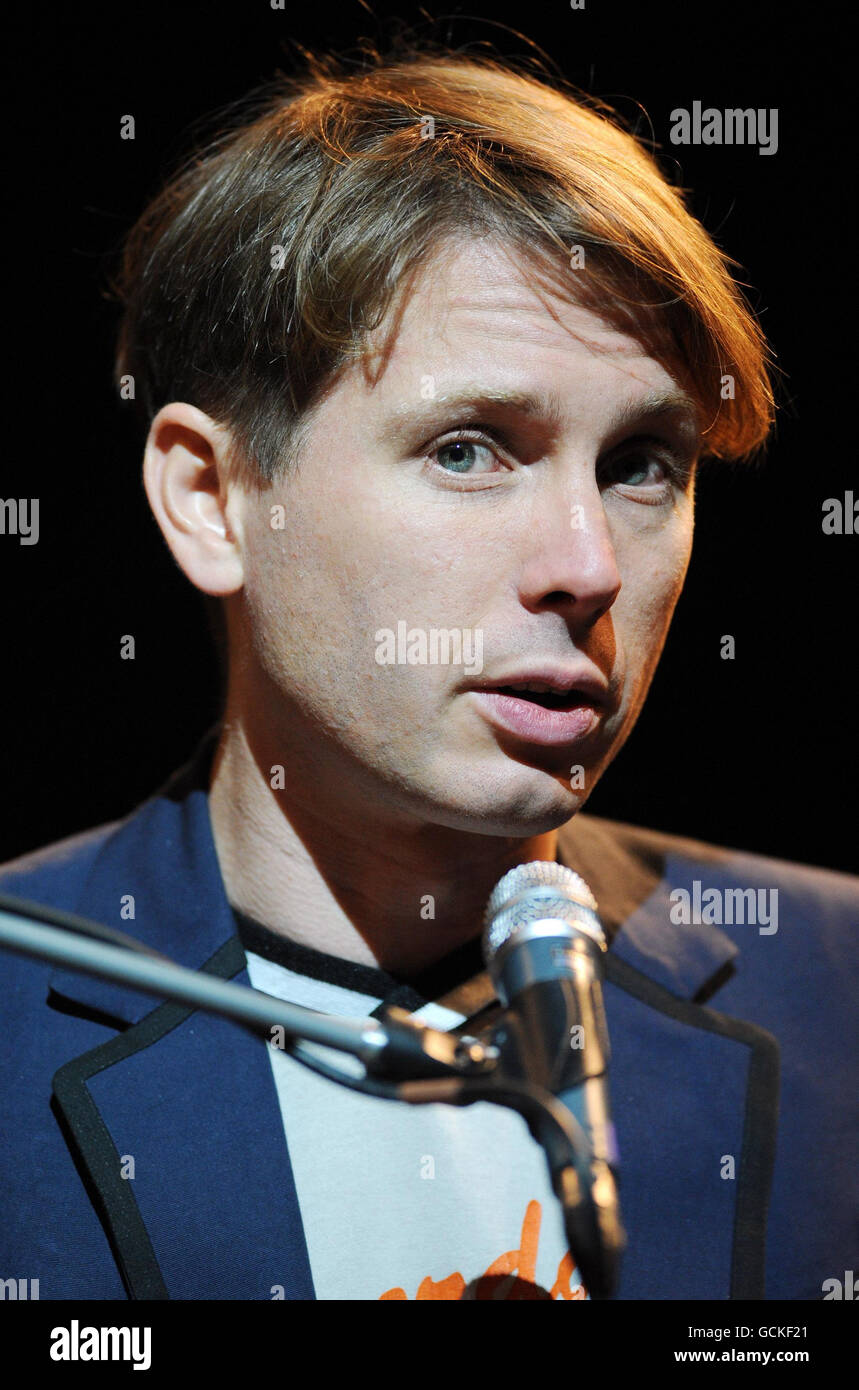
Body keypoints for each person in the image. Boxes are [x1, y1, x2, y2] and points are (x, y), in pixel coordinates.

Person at [1, 46, 855, 1302]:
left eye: (640, 464)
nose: (585, 565)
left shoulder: (835, 985)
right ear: (214, 499)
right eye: (469, 451)